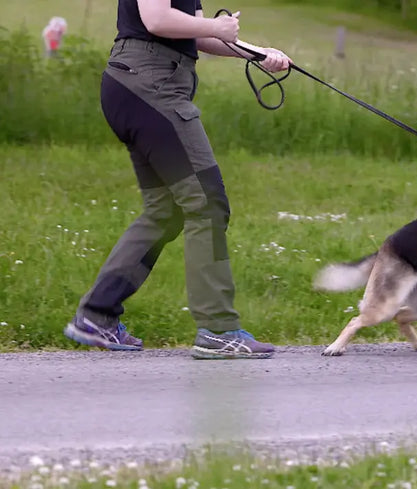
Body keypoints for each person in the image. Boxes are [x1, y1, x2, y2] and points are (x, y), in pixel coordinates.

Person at [63, 0, 292, 359]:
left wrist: (256, 53)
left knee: (166, 210)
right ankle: (218, 329)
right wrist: (219, 28)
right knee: (207, 202)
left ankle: (96, 314)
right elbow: (157, 20)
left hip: (139, 85)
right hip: (150, 85)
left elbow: (192, 31)